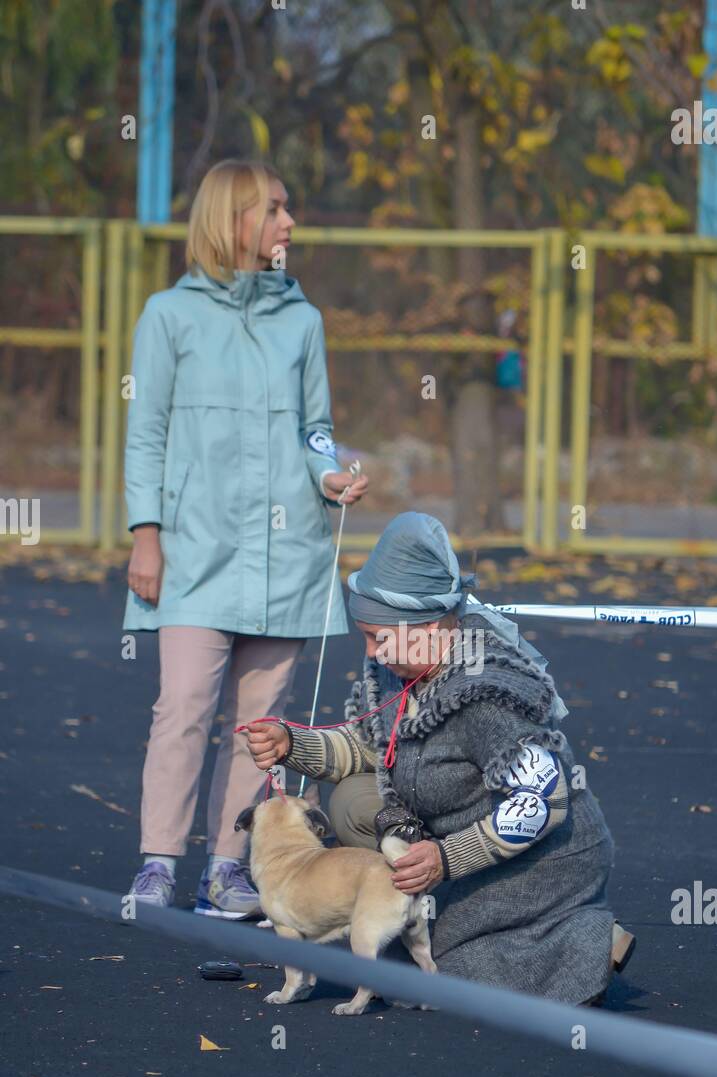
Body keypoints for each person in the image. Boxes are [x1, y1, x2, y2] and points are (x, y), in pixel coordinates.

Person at [244, 511, 628, 1006]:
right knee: (351, 805)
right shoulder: (397, 667)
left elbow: (542, 801)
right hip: (448, 840)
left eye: (377, 637)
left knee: (439, 973)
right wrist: (291, 744)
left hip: (542, 861)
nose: (372, 652)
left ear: (427, 627)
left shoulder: (487, 692)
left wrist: (446, 859)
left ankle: (583, 937)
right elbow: (367, 745)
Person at [122, 158, 368, 917]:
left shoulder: (303, 319)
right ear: (232, 220)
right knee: (183, 708)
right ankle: (158, 864)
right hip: (194, 552)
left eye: (286, 208)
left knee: (265, 729)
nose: (288, 222)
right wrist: (145, 535)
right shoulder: (168, 315)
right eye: (274, 208)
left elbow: (315, 431)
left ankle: (227, 869)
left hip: (287, 553)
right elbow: (146, 434)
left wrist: (330, 477)